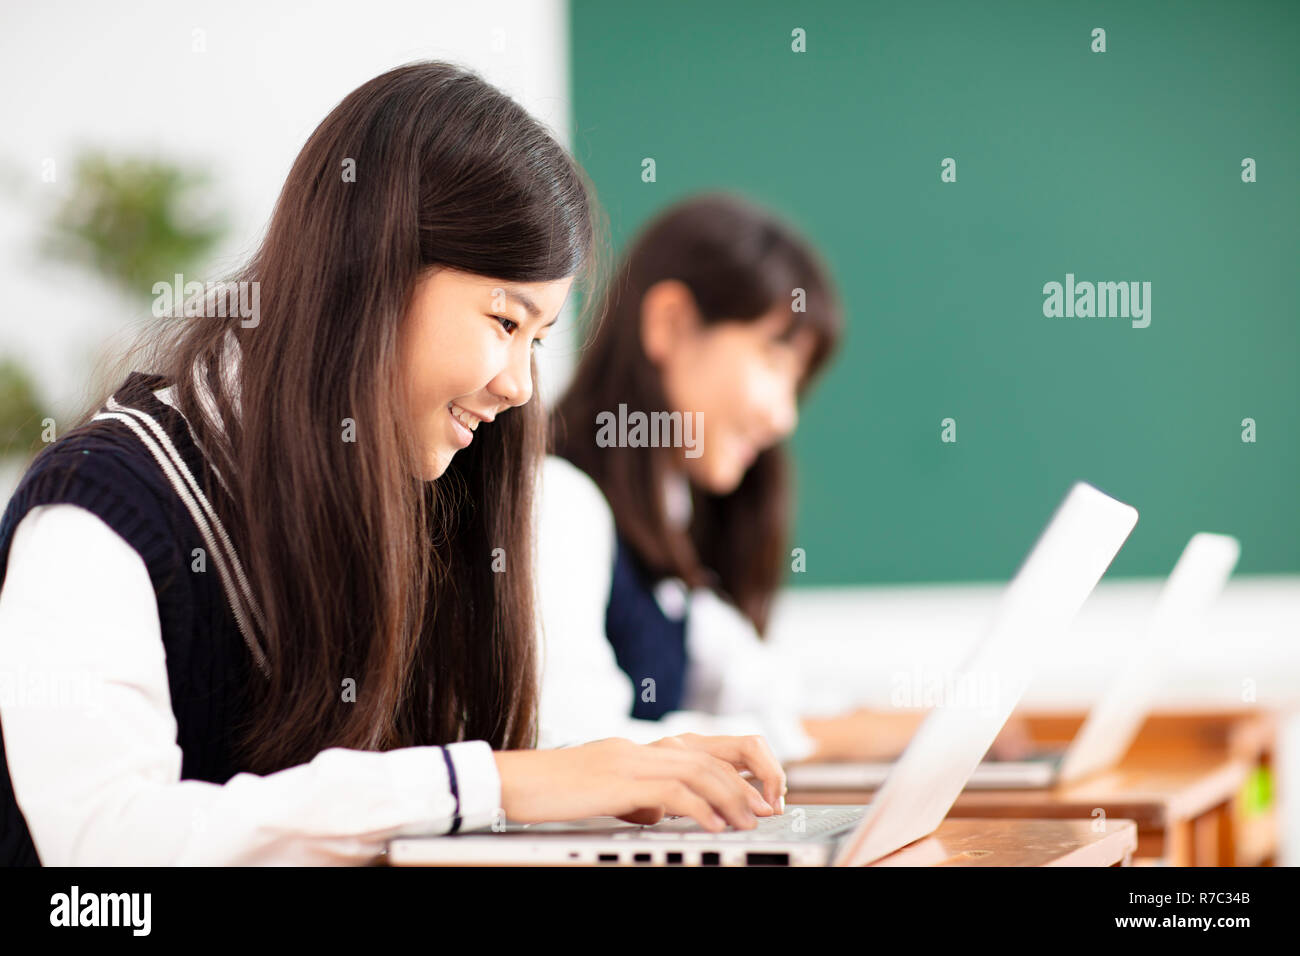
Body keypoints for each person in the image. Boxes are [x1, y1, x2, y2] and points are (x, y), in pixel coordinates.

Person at [0, 63, 784, 867]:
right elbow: (101, 854)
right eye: (504, 321)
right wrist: (492, 786)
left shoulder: (414, 485)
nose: (519, 387)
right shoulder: (96, 513)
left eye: (538, 340)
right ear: (373, 268)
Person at [539, 193, 1030, 764]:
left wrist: (932, 723)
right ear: (671, 324)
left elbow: (768, 693)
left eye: (798, 381)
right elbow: (574, 748)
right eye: (775, 359)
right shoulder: (560, 503)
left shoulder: (661, 531)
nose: (784, 417)